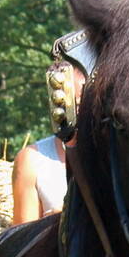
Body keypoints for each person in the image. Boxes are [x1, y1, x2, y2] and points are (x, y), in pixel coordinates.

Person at [11, 32, 90, 224]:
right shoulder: (33, 161)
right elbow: (23, 241)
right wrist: (55, 224)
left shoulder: (119, 155)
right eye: (76, 103)